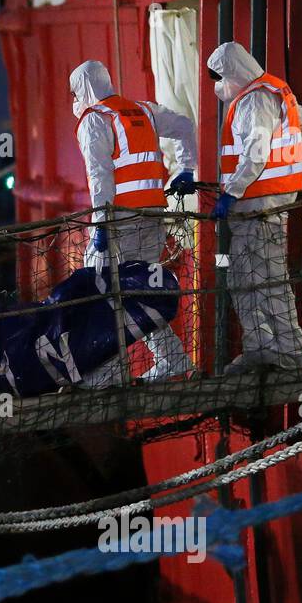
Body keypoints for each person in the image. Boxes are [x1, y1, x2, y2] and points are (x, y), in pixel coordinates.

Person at [69, 60, 198, 383]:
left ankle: (109, 375)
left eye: (74, 93)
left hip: (119, 222)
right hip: (153, 217)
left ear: (83, 89)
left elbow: (100, 176)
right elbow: (185, 126)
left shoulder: (95, 121)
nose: (74, 101)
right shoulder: (143, 111)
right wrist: (186, 168)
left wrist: (101, 223)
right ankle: (172, 359)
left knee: (100, 291)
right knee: (138, 290)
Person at [207, 42, 302, 371]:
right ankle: (261, 346)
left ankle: (289, 353)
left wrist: (230, 193)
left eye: (220, 77)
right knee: (243, 277)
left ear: (233, 73)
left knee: (269, 279)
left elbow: (256, 153)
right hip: (259, 203)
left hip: (260, 204)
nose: (218, 85)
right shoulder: (276, 90)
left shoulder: (255, 99)